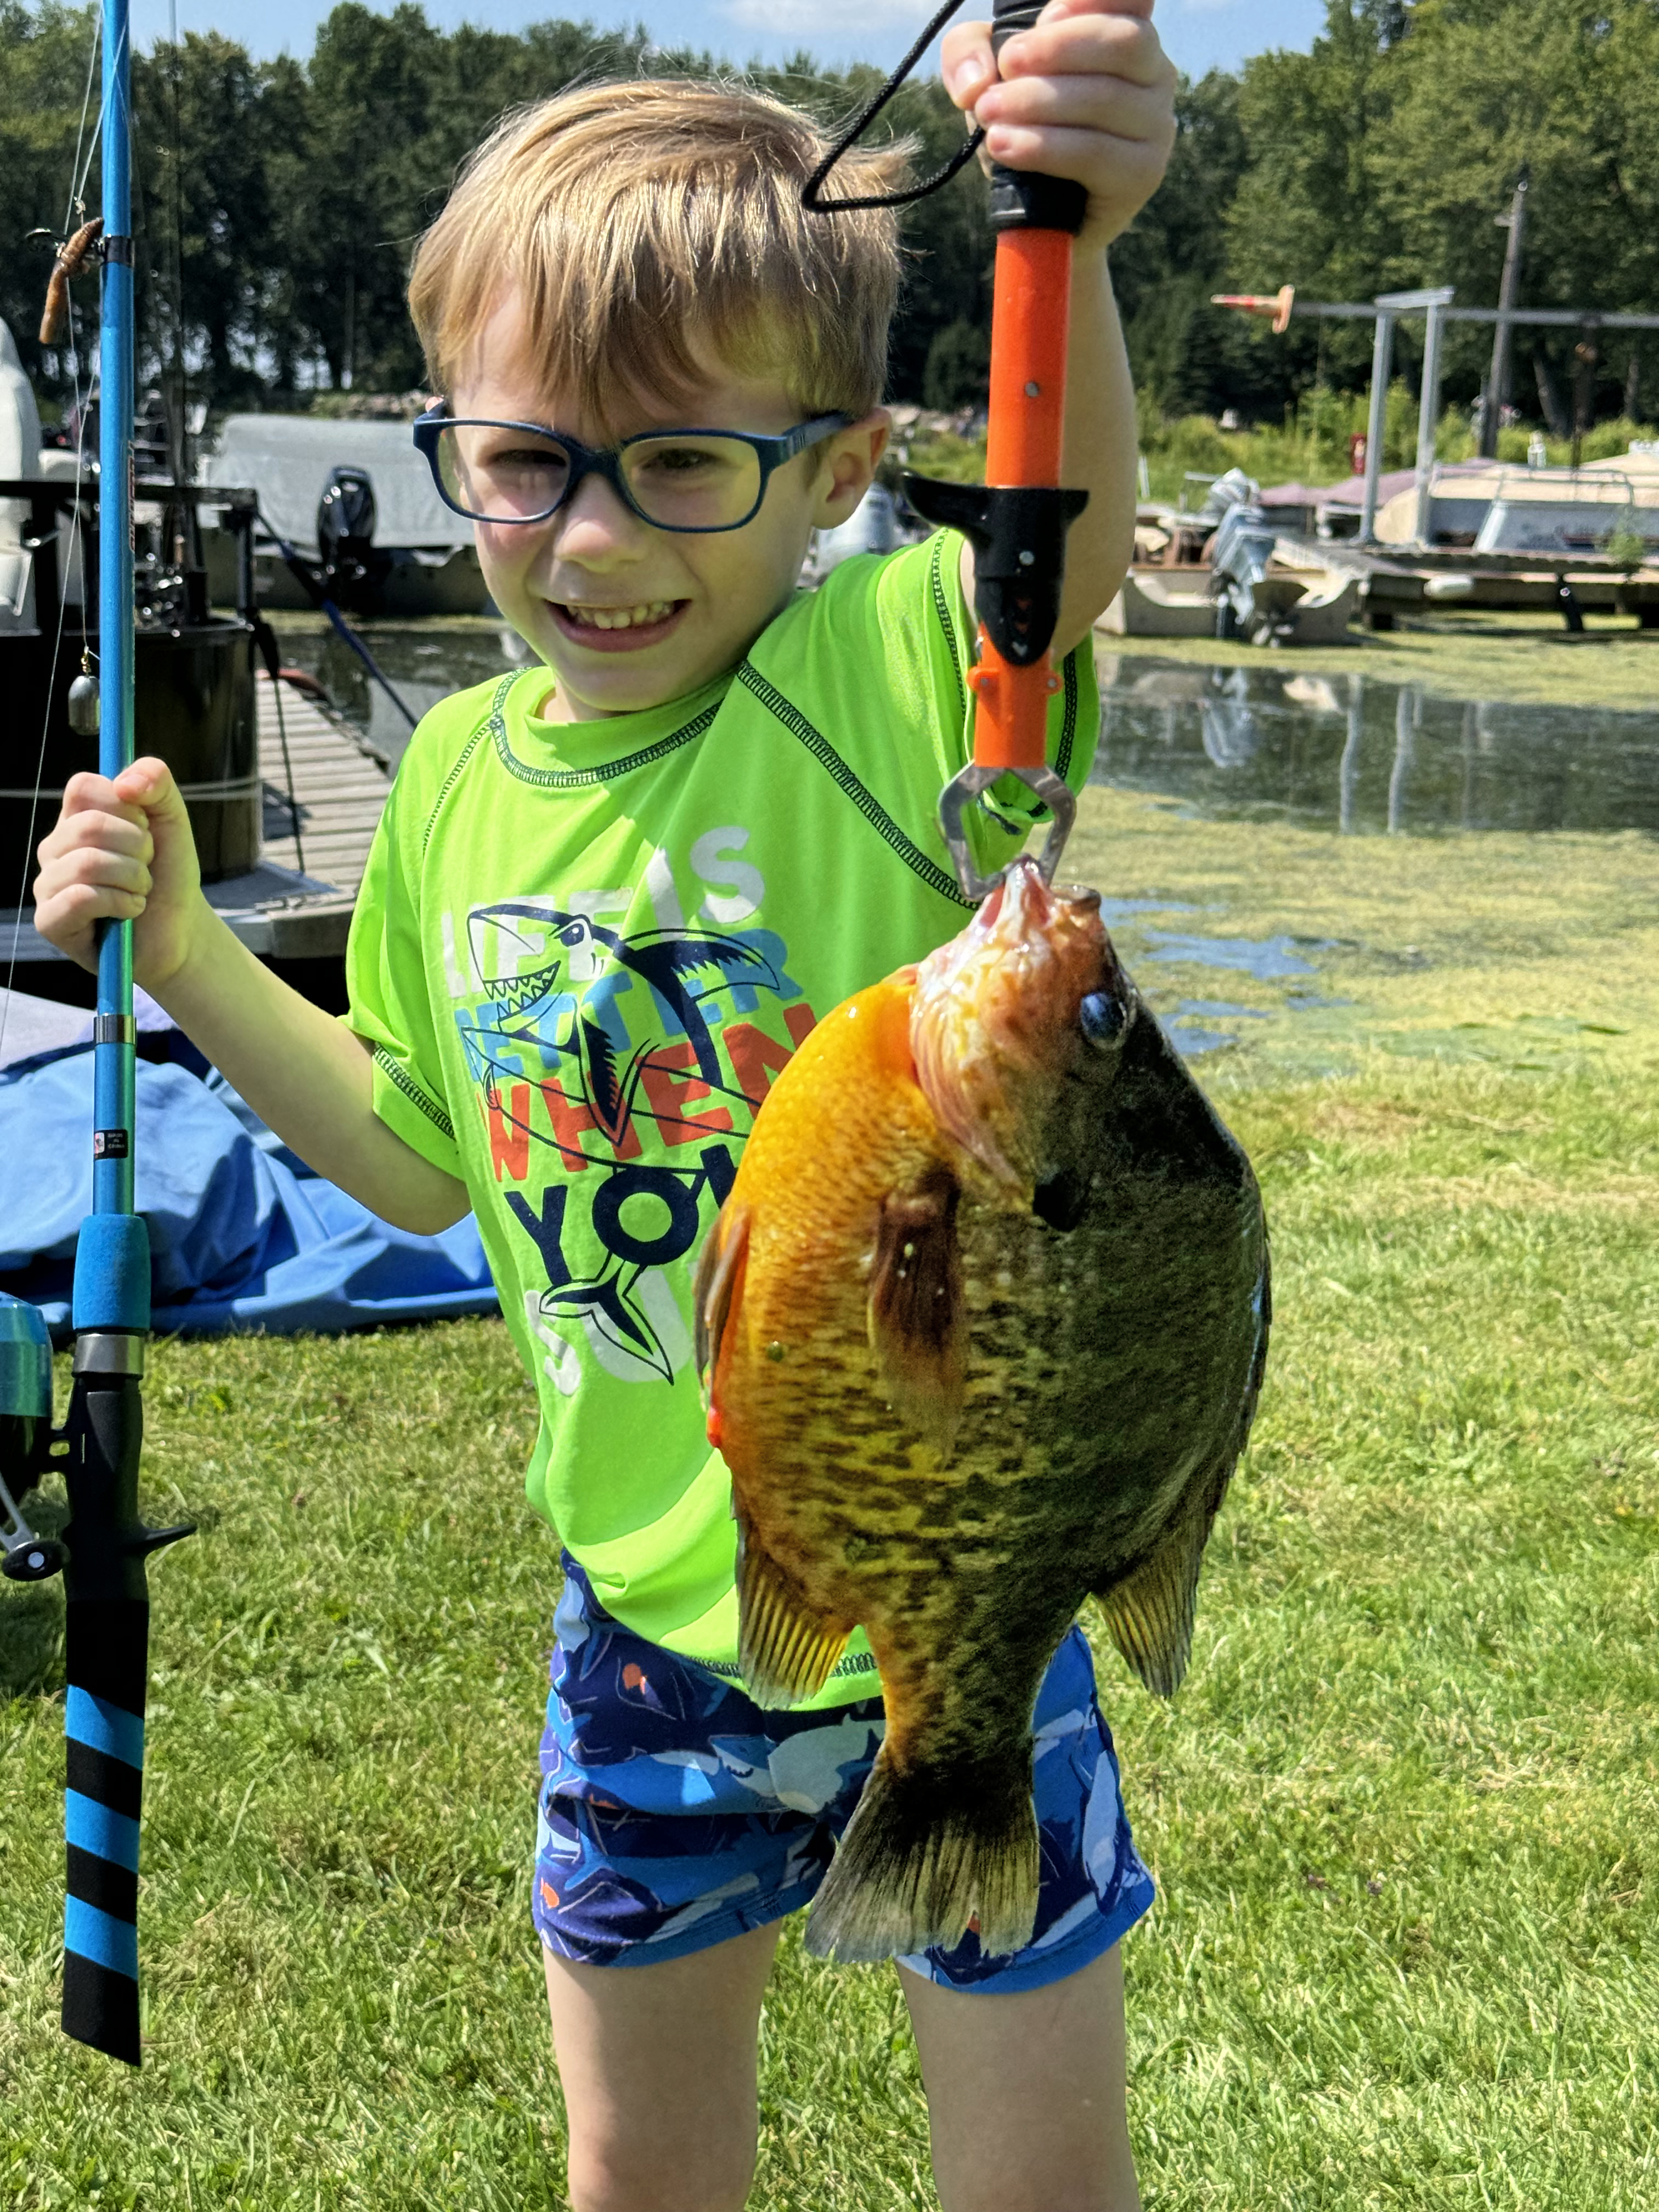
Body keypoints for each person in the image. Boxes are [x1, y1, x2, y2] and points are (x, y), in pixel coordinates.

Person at [33, 9, 1176, 2207]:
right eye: (525, 461)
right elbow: (415, 1162)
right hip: (641, 1643)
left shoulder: (882, 680)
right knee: (635, 2169)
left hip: (964, 1624)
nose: (589, 537)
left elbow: (1076, 547)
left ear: (838, 474)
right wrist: (186, 957)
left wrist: (1081, 239)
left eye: (682, 465)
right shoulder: (453, 786)